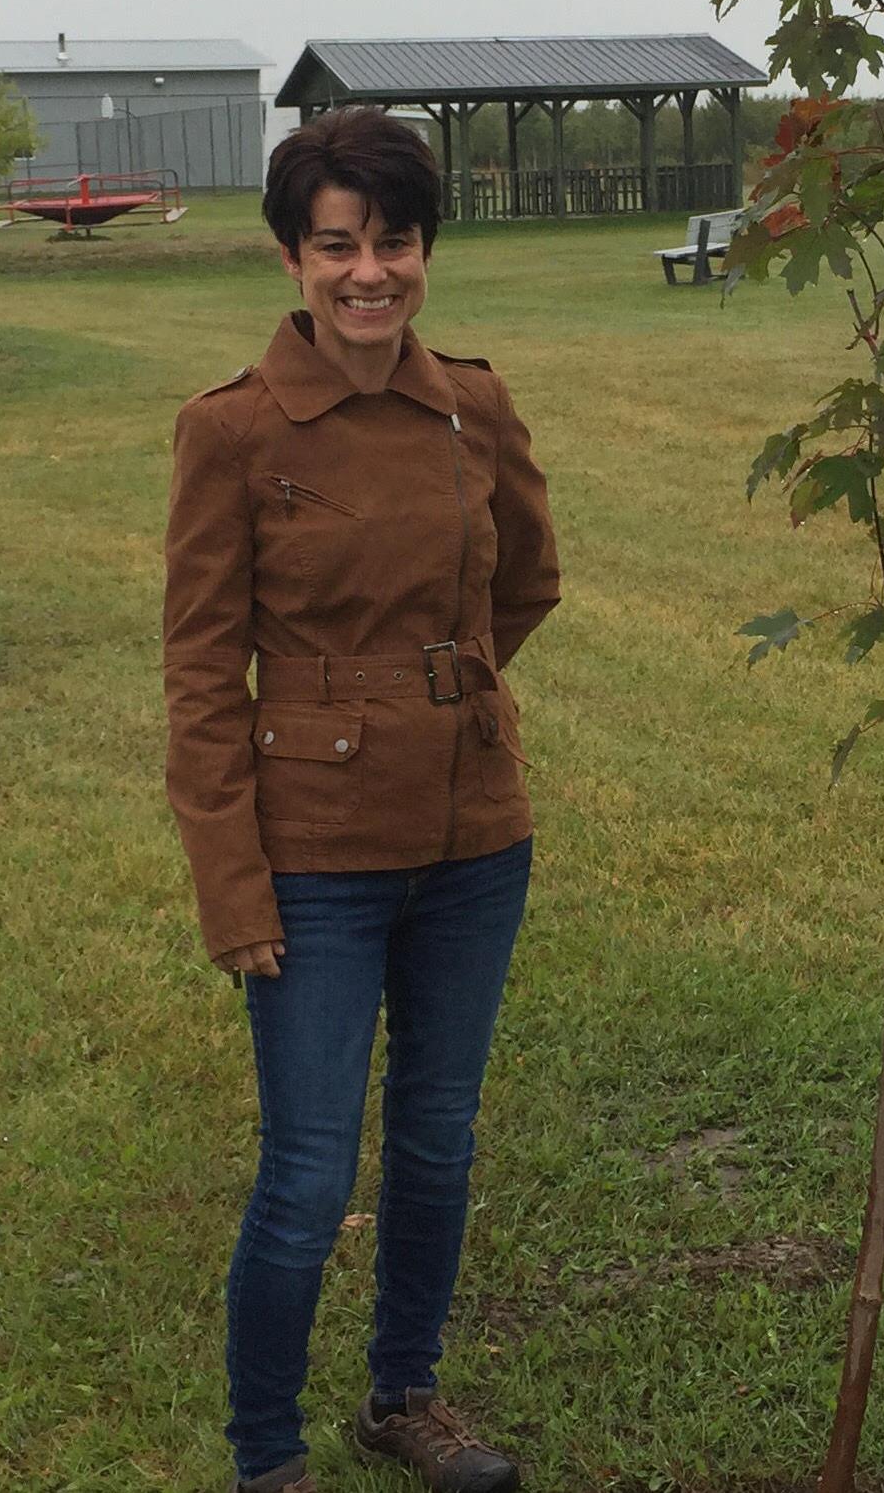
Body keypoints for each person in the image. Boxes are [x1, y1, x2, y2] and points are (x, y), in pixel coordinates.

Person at [163, 107, 560, 1493]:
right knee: (310, 1178)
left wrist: (431, 693)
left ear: (426, 253)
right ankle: (267, 1457)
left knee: (439, 1144)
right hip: (314, 861)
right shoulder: (230, 433)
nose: (368, 274)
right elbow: (205, 674)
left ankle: (406, 1399)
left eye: (394, 242)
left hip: (472, 839)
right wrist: (231, 877)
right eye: (338, 246)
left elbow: (531, 582)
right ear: (291, 258)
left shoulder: (475, 404)